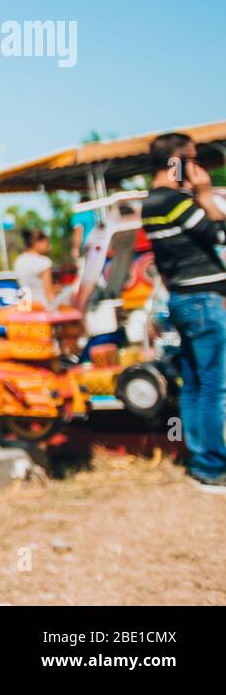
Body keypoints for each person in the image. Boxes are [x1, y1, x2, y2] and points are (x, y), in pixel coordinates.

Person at [143, 132, 226, 491]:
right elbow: (218, 233)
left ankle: (201, 460)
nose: (197, 166)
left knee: (193, 385)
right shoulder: (173, 202)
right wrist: (206, 196)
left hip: (183, 299)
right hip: (203, 302)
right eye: (192, 159)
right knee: (212, 387)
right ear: (174, 162)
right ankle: (211, 467)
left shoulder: (154, 202)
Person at [14, 229, 57, 308]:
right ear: (37, 242)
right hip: (42, 308)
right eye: (46, 243)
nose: (48, 247)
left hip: (25, 308)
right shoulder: (44, 262)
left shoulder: (19, 260)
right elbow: (49, 294)